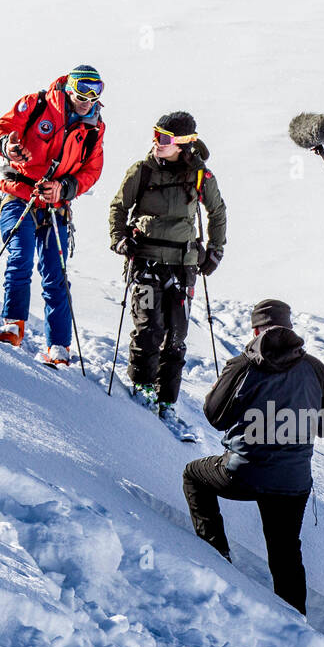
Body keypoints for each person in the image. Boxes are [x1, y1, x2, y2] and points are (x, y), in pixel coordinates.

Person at [183, 299, 324, 615]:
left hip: (243, 473)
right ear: (290, 327)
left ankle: (217, 559)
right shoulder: (315, 368)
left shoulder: (241, 365)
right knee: (285, 554)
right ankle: (296, 623)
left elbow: (215, 417)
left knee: (193, 475)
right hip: (293, 481)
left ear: (255, 329)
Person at [108, 111, 227, 420]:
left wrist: (215, 250)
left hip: (183, 264)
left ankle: (167, 398)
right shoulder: (142, 171)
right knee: (149, 327)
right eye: (156, 135)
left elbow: (217, 211)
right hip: (146, 259)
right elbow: (119, 207)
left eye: (164, 138)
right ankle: (143, 385)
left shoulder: (201, 175)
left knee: (176, 334)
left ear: (184, 144)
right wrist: (120, 238)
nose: (156, 142)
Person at [0, 65, 106, 366]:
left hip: (55, 206)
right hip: (20, 193)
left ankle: (59, 348)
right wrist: (9, 146)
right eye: (83, 91)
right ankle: (13, 325)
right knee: (21, 254)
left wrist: (65, 188)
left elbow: (92, 170)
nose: (88, 99)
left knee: (56, 274)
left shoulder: (94, 128)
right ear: (70, 88)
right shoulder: (38, 104)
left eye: (96, 92)